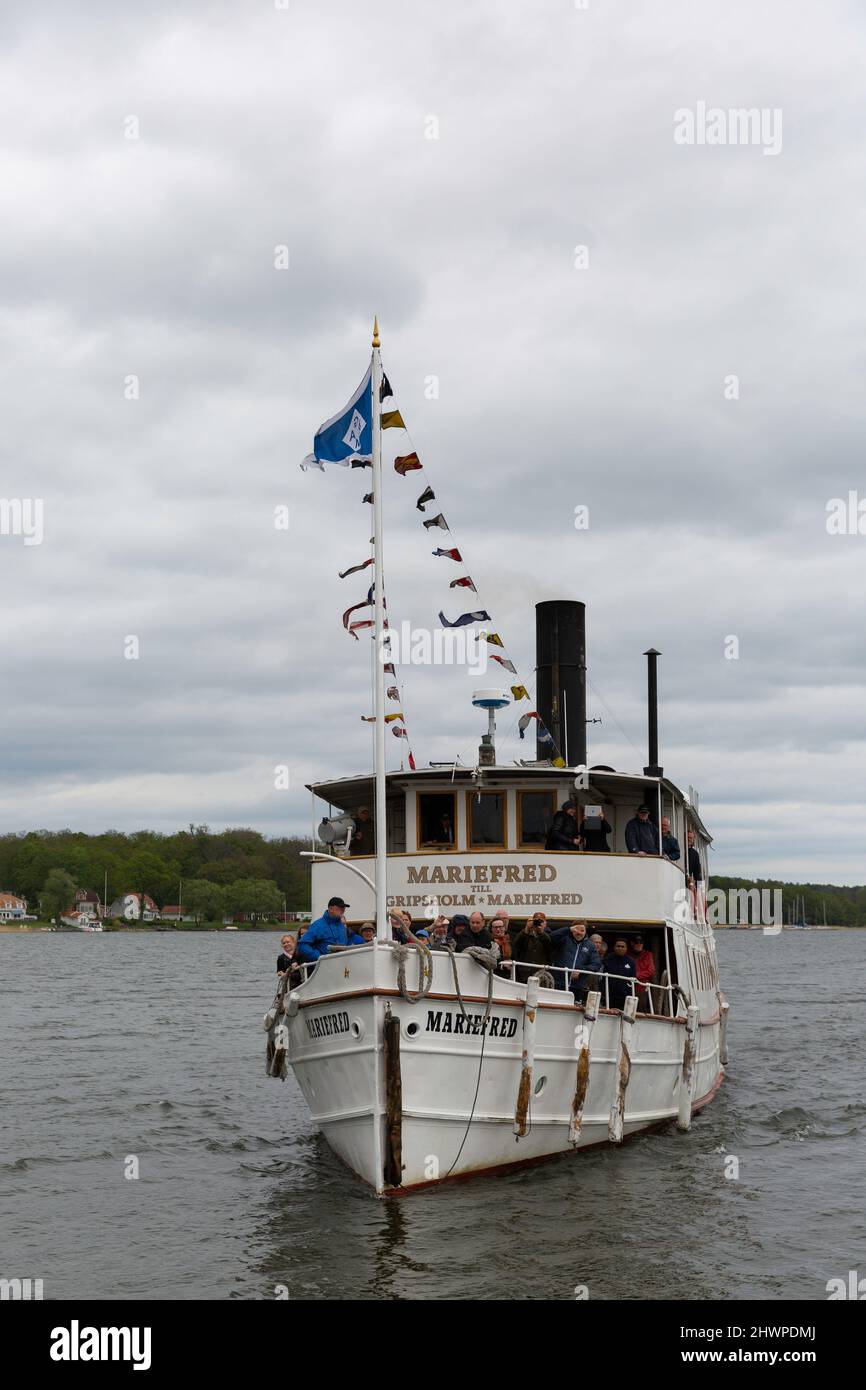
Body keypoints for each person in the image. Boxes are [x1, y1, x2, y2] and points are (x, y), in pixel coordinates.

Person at [548, 919, 602, 1001]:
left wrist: (581, 970)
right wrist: (568, 929)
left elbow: (596, 964)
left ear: (585, 931)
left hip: (577, 986)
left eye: (582, 930)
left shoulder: (590, 946)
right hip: (559, 983)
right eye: (576, 930)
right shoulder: (564, 939)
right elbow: (551, 937)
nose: (579, 933)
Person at [297, 897, 351, 963]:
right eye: (340, 908)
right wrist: (319, 957)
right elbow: (302, 945)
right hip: (325, 966)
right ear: (331, 909)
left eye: (344, 908)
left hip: (342, 965)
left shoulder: (342, 926)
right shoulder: (317, 925)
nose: (343, 910)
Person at [512, 913, 555, 983]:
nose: (538, 923)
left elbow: (550, 948)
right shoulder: (525, 934)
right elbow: (516, 944)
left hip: (541, 974)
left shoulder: (549, 936)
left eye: (541, 921)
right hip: (524, 974)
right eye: (536, 921)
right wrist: (526, 929)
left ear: (545, 923)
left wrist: (541, 933)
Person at [601, 937, 637, 1009]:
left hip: (624, 997)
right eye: (618, 946)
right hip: (608, 996)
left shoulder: (631, 962)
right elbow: (601, 977)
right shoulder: (607, 960)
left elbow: (633, 979)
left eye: (623, 947)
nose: (620, 948)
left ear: (626, 948)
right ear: (614, 947)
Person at [629, 933, 656, 1012]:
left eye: (641, 942)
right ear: (632, 943)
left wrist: (635, 975)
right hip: (627, 987)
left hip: (641, 987)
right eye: (637, 942)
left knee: (640, 1010)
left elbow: (651, 971)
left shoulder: (648, 955)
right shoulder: (627, 954)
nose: (639, 944)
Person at [687, 830, 706, 922]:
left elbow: (697, 873)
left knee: (693, 887)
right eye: (687, 838)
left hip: (689, 880)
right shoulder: (681, 851)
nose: (689, 839)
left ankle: (696, 913)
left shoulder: (694, 854)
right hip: (681, 878)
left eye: (690, 838)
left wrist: (700, 888)